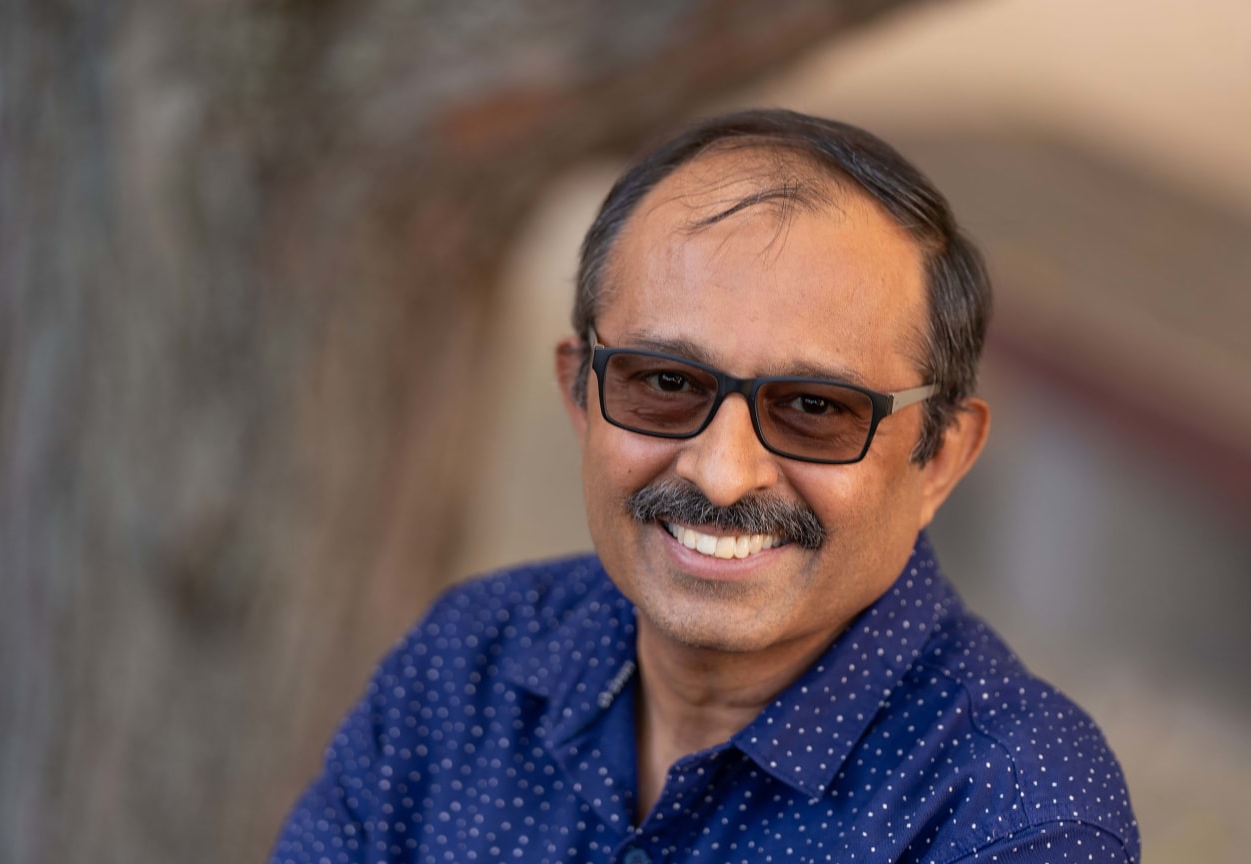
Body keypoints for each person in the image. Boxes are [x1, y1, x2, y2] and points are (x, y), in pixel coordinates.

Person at [269, 110, 1140, 863]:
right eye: (665, 384)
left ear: (941, 457)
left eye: (812, 408)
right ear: (581, 393)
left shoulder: (1016, 818)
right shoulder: (471, 659)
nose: (722, 476)